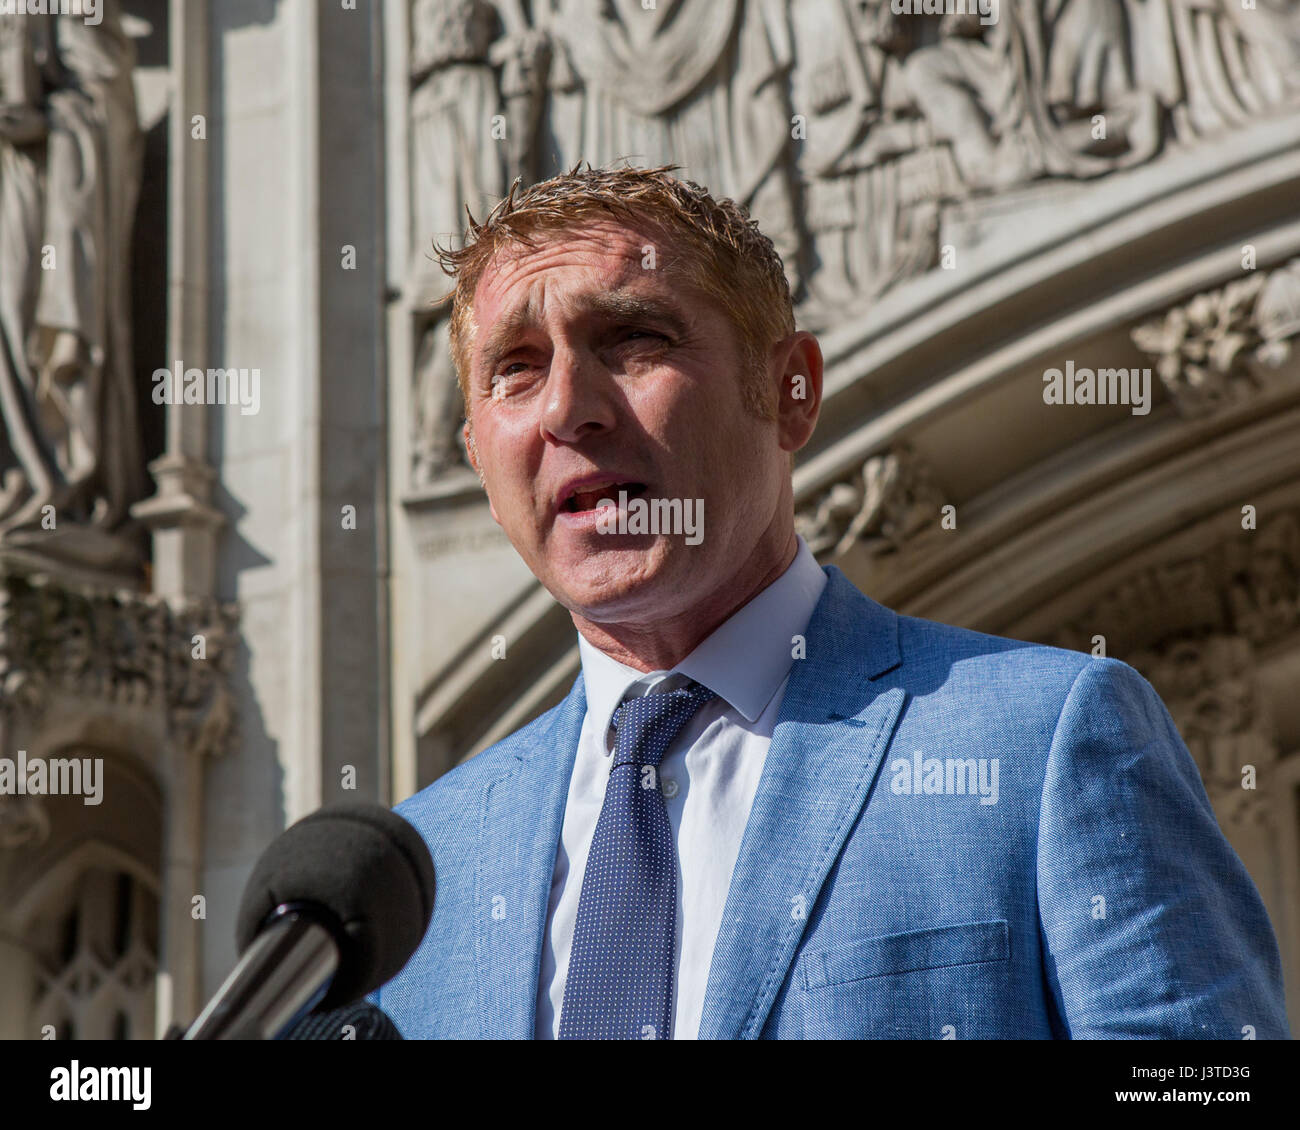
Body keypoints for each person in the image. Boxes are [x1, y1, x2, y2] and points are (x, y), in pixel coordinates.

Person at [372, 164, 1289, 1039]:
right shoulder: (416, 874)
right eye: (516, 370)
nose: (570, 407)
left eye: (633, 339)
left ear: (790, 390)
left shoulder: (1047, 737)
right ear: (480, 463)